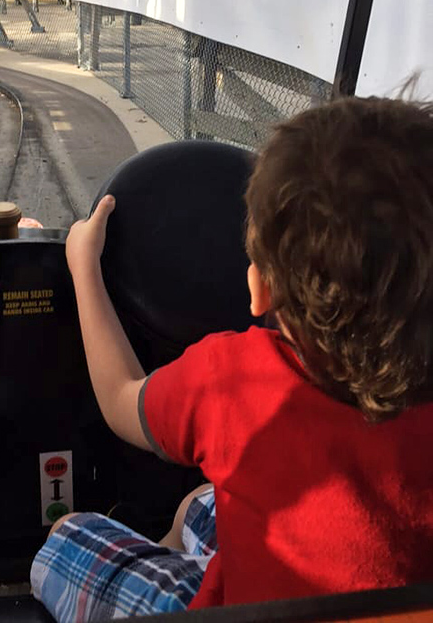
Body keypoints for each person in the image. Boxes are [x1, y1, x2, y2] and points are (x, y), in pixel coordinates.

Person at [30, 96, 433, 621]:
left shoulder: (235, 382)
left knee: (67, 533)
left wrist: (83, 267)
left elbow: (119, 397)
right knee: (203, 498)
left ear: (260, 288)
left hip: (243, 611)